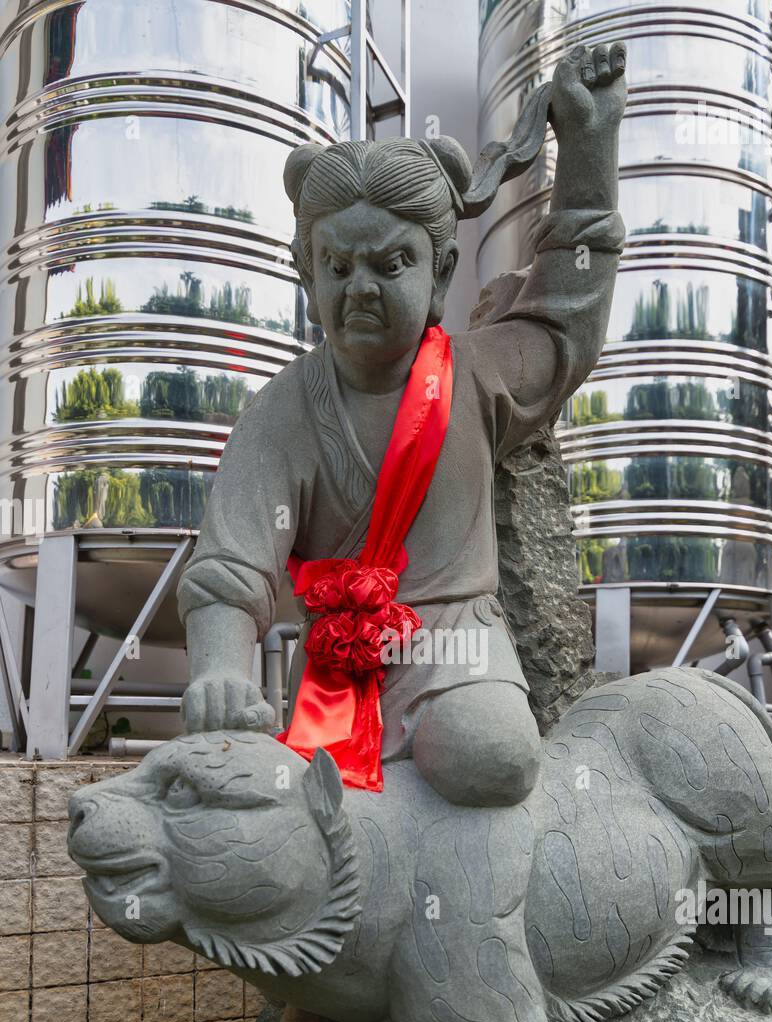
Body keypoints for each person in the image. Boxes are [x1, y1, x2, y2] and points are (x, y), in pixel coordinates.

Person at [177, 41, 627, 806]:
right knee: (305, 808)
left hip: (458, 647)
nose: (359, 287)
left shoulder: (477, 376)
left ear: (440, 273)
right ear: (305, 271)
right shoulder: (279, 414)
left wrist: (587, 150)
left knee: (491, 756)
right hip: (335, 663)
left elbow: (563, 331)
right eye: (337, 266)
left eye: (389, 267)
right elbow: (230, 568)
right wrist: (219, 670)